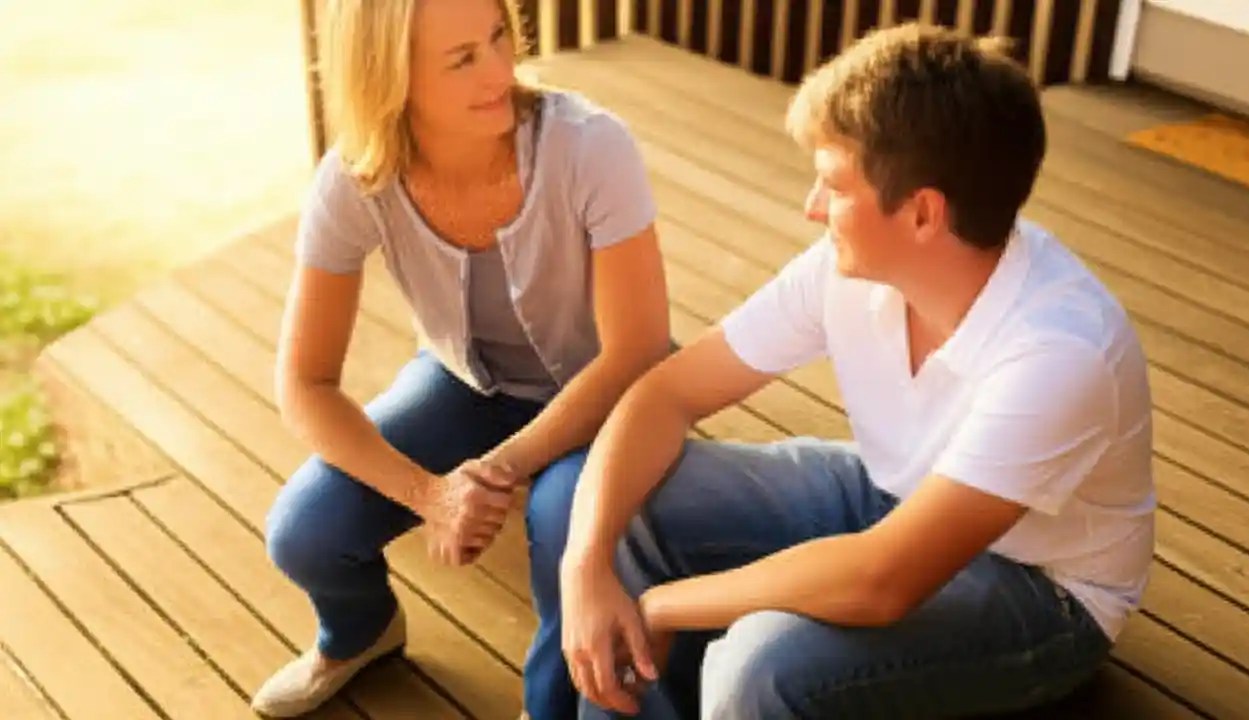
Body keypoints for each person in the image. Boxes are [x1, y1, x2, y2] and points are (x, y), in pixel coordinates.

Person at [528, 23, 1156, 719]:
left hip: (1041, 590)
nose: (812, 207)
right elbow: (666, 394)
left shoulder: (1059, 353)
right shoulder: (847, 269)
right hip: (892, 494)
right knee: (590, 502)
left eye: (833, 184)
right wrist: (587, 566)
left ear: (923, 213)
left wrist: (664, 605)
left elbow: (884, 579)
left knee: (759, 666)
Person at [251, 0, 671, 717]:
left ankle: (553, 707)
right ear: (389, 76)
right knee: (305, 532)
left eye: (498, 37)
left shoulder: (592, 147)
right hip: (466, 385)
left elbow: (636, 350)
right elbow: (304, 384)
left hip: (610, 392)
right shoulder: (353, 182)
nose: (502, 71)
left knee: (564, 531)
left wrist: (498, 470)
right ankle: (361, 632)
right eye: (462, 59)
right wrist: (430, 494)